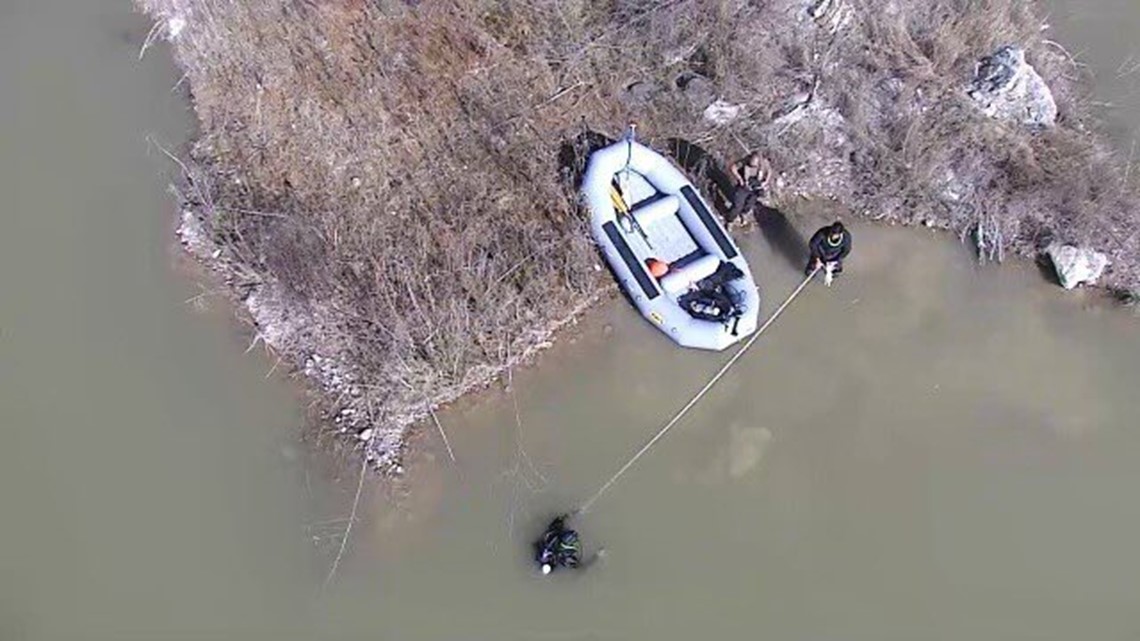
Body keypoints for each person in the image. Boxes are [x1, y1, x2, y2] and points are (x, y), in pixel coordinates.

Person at [726, 151, 772, 224]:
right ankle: (729, 220)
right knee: (737, 206)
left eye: (754, 166)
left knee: (750, 203)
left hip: (756, 186)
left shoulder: (764, 163)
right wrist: (740, 179)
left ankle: (743, 214)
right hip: (744, 184)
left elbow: (769, 171)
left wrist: (765, 182)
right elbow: (733, 168)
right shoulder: (744, 161)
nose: (752, 167)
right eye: (751, 165)